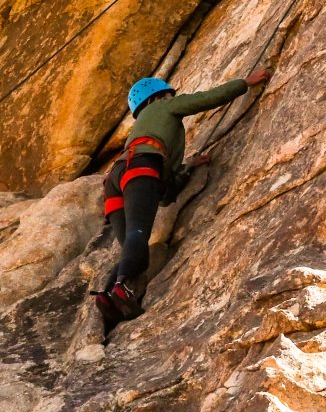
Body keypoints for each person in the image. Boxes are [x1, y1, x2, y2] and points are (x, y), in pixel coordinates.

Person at [93, 65, 271, 328]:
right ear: (158, 97)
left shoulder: (141, 129)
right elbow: (203, 100)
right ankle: (120, 288)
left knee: (134, 251)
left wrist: (189, 167)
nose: (171, 99)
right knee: (137, 236)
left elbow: (163, 196)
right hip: (138, 168)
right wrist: (245, 82)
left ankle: (109, 297)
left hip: (116, 181)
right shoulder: (162, 107)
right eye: (168, 96)